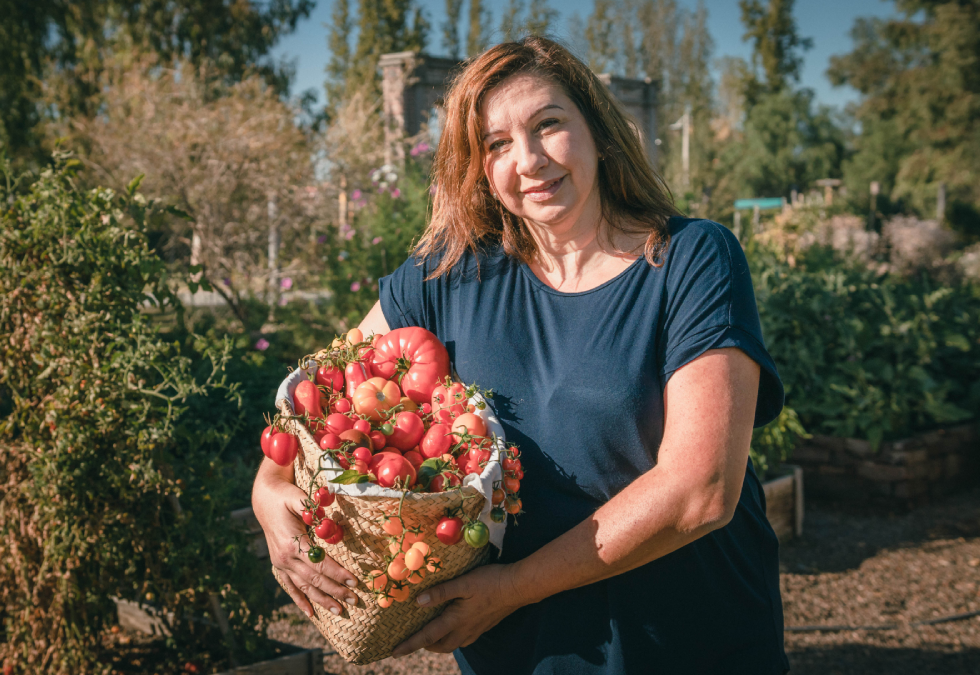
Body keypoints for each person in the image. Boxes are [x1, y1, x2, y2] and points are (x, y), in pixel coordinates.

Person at [252, 36, 788, 675]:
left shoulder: (691, 260)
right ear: (477, 166)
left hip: (685, 645)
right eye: (497, 144)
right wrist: (268, 489)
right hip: (519, 656)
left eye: (549, 125)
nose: (528, 160)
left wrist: (511, 588)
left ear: (597, 129)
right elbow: (319, 398)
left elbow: (701, 491)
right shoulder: (448, 279)